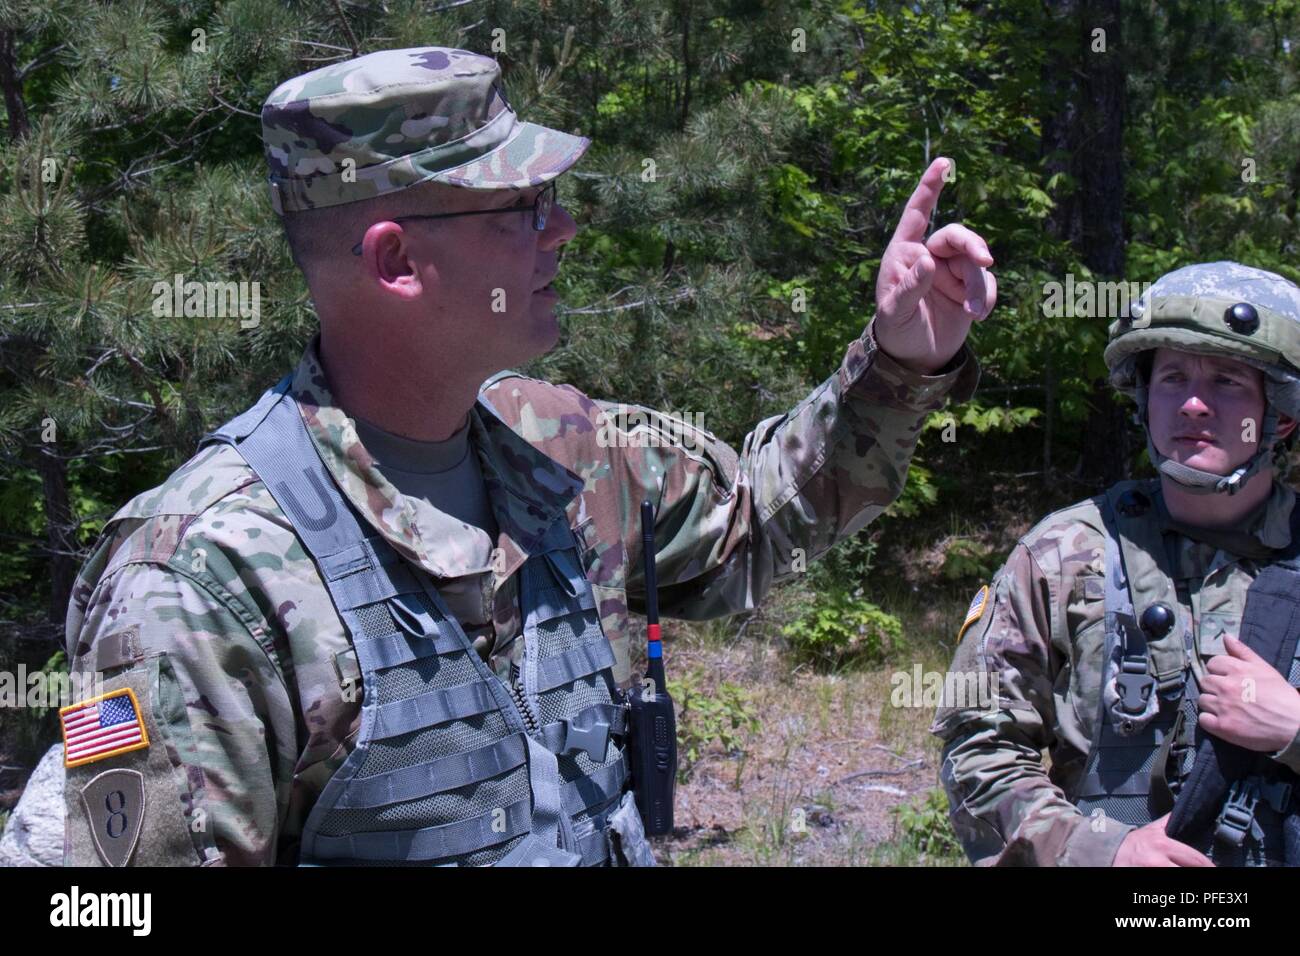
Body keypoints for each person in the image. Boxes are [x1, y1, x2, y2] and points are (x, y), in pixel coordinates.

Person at [61, 46, 992, 866]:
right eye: (524, 205)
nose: (564, 230)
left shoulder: (563, 448)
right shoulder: (199, 578)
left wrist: (901, 360)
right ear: (395, 263)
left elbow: (756, 517)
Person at [932, 261, 1300, 867]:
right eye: (1172, 378)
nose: (1195, 405)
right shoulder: (1064, 553)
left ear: (1280, 414)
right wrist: (1099, 850)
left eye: (1229, 381)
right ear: (1143, 401)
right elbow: (978, 742)